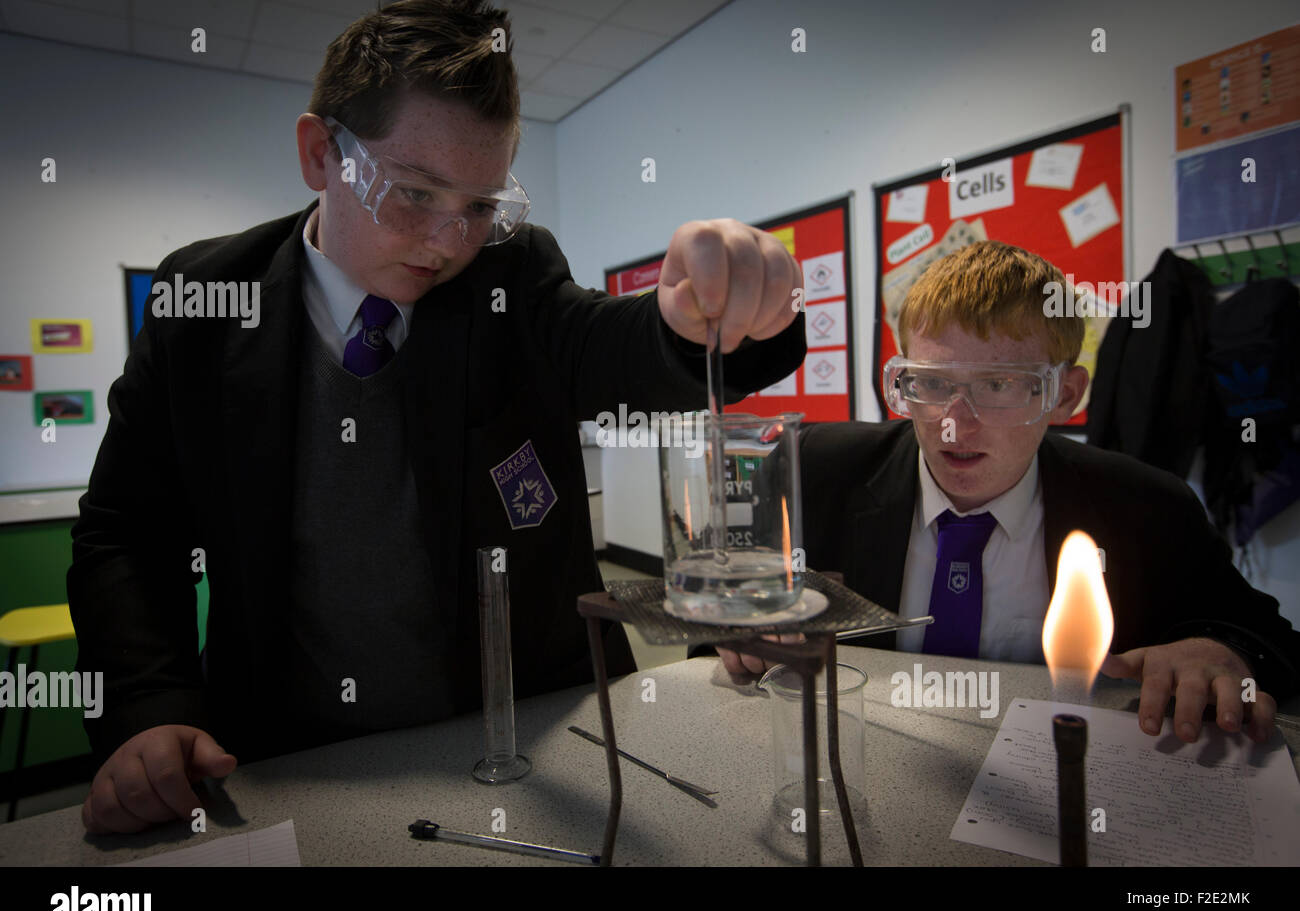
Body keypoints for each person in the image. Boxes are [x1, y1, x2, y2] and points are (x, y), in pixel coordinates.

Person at [70, 0, 806, 834]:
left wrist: (710, 315)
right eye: (413, 193)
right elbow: (126, 531)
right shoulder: (202, 301)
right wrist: (148, 707)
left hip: (534, 743)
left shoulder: (511, 274)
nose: (448, 240)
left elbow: (611, 347)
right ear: (322, 154)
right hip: (285, 766)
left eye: (481, 203)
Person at [719, 241, 1297, 747]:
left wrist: (1224, 654)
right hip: (856, 768)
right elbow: (714, 631)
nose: (955, 424)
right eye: (931, 383)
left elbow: (1269, 639)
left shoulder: (1147, 506)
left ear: (1065, 395)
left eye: (1000, 386)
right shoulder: (815, 471)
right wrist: (742, 627)